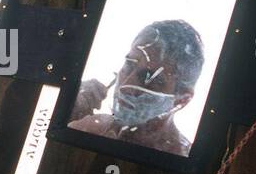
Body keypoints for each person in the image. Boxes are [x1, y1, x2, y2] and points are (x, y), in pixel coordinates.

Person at [69, 19, 205, 156]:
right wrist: (68, 108)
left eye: (151, 79)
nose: (126, 87)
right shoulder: (90, 128)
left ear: (182, 100)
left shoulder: (181, 163)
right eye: (129, 65)